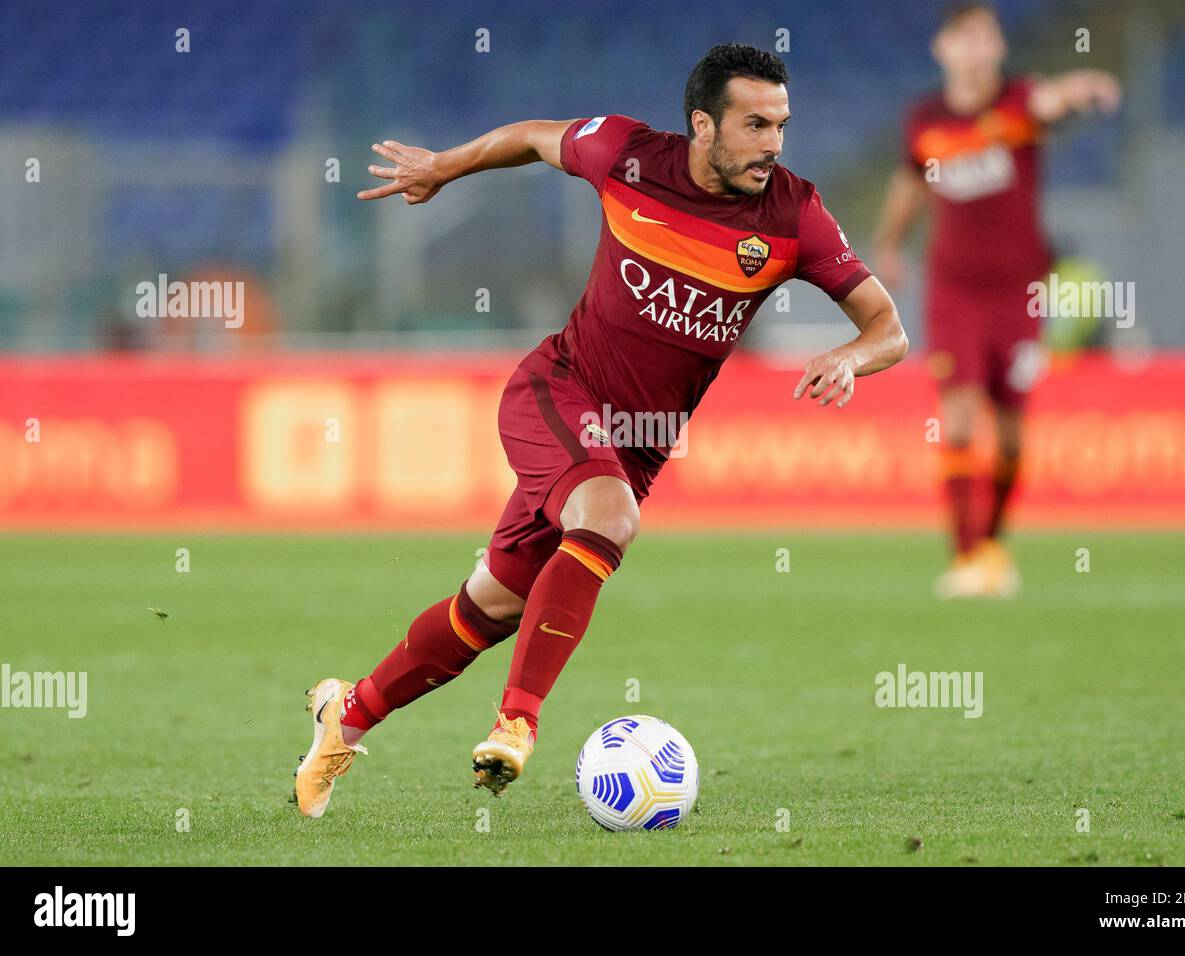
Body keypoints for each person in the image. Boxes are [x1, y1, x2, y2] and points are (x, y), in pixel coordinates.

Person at [294, 42, 907, 818]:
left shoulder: (793, 212)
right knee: (610, 516)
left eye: (782, 125)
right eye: (755, 125)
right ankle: (518, 720)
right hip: (558, 389)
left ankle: (342, 716)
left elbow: (889, 327)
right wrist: (446, 165)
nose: (774, 144)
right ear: (703, 125)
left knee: (492, 608)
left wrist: (854, 357)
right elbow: (530, 137)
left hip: (634, 444)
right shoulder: (625, 153)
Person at [872, 1, 1119, 598]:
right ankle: (966, 556)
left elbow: (1052, 99)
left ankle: (991, 543)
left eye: (986, 37)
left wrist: (1086, 85)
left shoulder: (1018, 103)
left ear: (998, 49)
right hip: (954, 287)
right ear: (943, 49)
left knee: (1009, 434)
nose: (977, 48)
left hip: (1019, 292)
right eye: (965, 37)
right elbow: (910, 180)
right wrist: (888, 243)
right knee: (957, 419)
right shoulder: (924, 120)